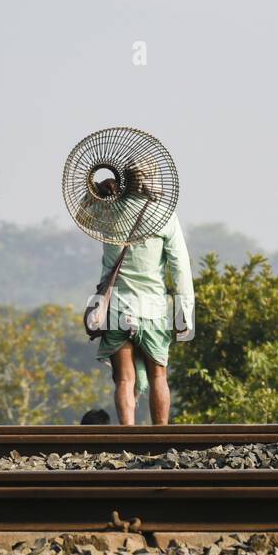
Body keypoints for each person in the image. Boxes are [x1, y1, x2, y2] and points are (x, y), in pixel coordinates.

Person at [88, 179, 194, 425]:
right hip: (153, 310)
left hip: (115, 309)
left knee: (124, 379)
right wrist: (184, 313)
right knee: (158, 376)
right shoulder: (164, 215)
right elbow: (181, 266)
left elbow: (84, 215)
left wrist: (95, 190)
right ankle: (160, 436)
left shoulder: (109, 210)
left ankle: (128, 438)